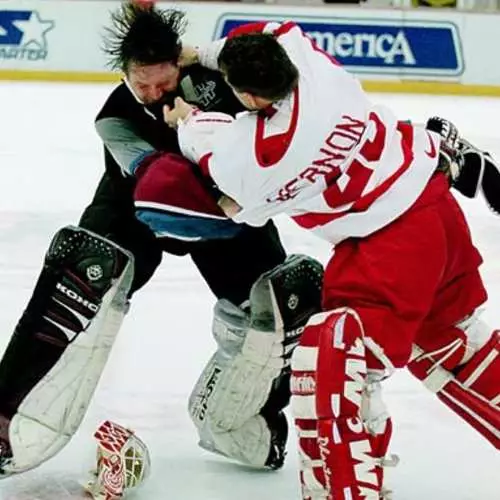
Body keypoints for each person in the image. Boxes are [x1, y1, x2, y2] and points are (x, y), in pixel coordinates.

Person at [163, 21, 500, 499]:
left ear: (252, 99)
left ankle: (348, 491)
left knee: (335, 358)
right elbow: (270, 32)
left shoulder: (257, 157)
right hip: (433, 201)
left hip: (388, 245)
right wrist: (200, 52)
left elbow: (230, 194)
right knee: (454, 347)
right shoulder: (309, 63)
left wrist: (184, 120)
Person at [0, 5, 325, 484]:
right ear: (125, 74)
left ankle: (261, 428)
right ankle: (4, 411)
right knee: (80, 270)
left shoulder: (220, 77)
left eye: (163, 83)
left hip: (223, 210)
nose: (153, 95)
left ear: (181, 64)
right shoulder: (114, 117)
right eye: (141, 85)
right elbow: (162, 186)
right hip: (141, 207)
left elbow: (279, 121)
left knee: (278, 304)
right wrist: (190, 126)